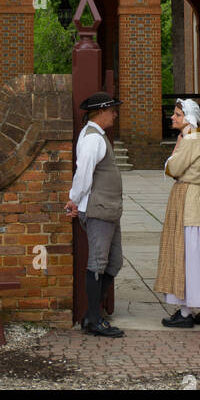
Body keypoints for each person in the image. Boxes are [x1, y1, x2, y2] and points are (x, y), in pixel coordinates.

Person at [154, 96, 200, 327]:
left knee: (188, 253)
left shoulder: (191, 139)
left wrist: (175, 150)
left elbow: (174, 168)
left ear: (189, 118)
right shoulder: (197, 137)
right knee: (199, 253)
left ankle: (186, 313)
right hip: (194, 199)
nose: (173, 117)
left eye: (178, 114)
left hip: (189, 200)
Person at [65, 90, 125, 338]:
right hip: (98, 210)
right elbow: (83, 174)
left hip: (107, 210)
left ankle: (93, 315)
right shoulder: (92, 139)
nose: (115, 114)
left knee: (114, 262)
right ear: (100, 111)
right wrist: (74, 199)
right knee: (98, 264)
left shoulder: (97, 136)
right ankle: (94, 319)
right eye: (112, 110)